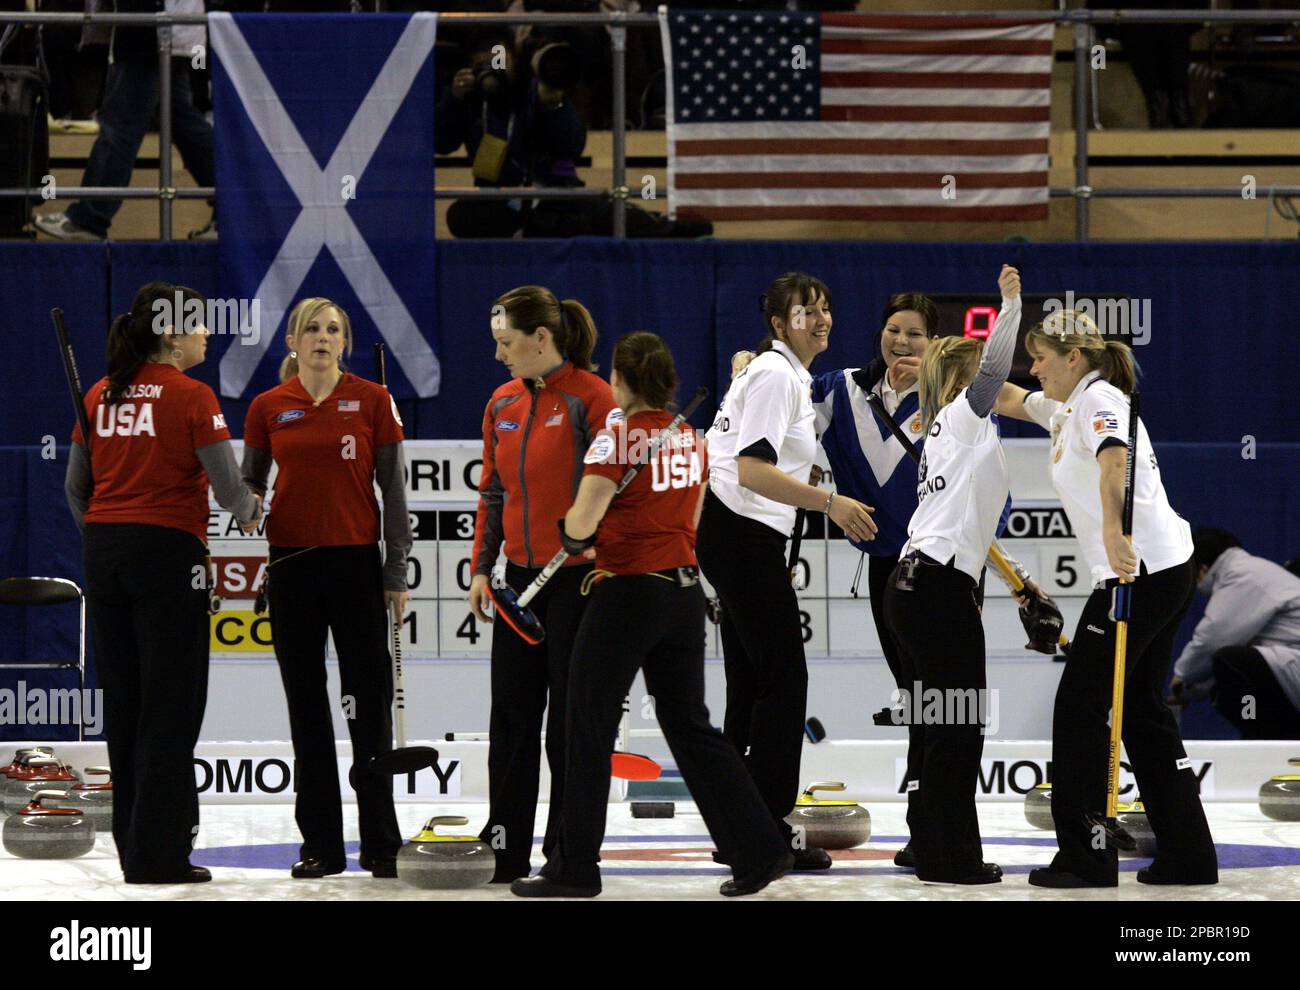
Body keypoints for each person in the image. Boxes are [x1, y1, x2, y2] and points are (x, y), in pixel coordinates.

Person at [512, 332, 794, 898]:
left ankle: (575, 867)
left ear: (620, 380)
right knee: (690, 724)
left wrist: (570, 533)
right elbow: (692, 515)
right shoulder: (690, 438)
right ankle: (761, 847)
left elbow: (582, 522)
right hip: (683, 593)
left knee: (585, 723)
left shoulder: (613, 439)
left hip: (627, 593)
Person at [995, 309, 1218, 888]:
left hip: (1136, 572)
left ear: (1075, 358)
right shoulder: (1070, 406)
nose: (1034, 366)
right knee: (1142, 713)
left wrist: (1116, 534)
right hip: (1161, 568)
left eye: (1041, 356)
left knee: (1080, 707)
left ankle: (1086, 857)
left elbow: (1114, 461)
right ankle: (1190, 855)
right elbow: (1011, 399)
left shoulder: (1099, 403)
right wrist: (939, 368)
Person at [65, 281, 262, 883]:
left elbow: (77, 491)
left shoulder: (100, 393)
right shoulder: (192, 395)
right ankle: (160, 855)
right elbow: (231, 492)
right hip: (167, 553)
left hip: (105, 553)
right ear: (172, 335)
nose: (207, 333)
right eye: (198, 324)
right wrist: (257, 509)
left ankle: (135, 850)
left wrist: (108, 532)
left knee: (124, 704)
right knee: (172, 703)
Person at [695, 272, 877, 872]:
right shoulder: (775, 376)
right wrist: (832, 504)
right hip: (740, 533)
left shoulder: (775, 372)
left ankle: (741, 827)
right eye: (806, 312)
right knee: (783, 681)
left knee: (751, 684)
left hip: (735, 535)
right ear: (780, 325)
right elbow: (752, 470)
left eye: (826, 308)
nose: (822, 319)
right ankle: (763, 831)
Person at [241, 297, 412, 879]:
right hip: (291, 569)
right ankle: (320, 844)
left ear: (345, 342)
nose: (321, 337)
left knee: (369, 708)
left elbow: (394, 492)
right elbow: (249, 484)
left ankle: (382, 842)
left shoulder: (371, 400)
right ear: (292, 340)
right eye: (311, 329)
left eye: (332, 330)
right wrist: (247, 505)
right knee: (307, 708)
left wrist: (395, 571)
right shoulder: (268, 406)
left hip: (356, 567)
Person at [467, 284, 618, 882]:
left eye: (507, 344)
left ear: (541, 338)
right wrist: (482, 567)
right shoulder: (501, 401)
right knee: (512, 717)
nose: (500, 354)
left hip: (581, 581)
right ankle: (505, 847)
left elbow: (614, 487)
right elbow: (494, 492)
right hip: (519, 583)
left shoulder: (594, 398)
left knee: (571, 724)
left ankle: (568, 851)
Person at [881, 265, 1020, 886]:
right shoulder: (962, 420)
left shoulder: (946, 430)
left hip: (920, 586)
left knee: (944, 724)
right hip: (934, 590)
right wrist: (1010, 305)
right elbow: (993, 371)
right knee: (957, 727)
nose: (999, 385)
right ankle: (950, 855)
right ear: (962, 380)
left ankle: (937, 848)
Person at [809, 293, 935, 867]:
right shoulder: (842, 389)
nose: (901, 342)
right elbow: (781, 398)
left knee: (938, 699)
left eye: (914, 333)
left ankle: (938, 826)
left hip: (940, 566)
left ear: (933, 343)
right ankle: (926, 826)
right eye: (892, 330)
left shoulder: (951, 399)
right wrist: (746, 363)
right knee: (913, 696)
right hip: (887, 565)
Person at [35, 0, 216, 241]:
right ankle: (237, 209)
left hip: (151, 30)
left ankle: (89, 219)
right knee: (182, 122)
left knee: (120, 127)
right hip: (164, 29)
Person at [1169, 528, 1300, 740]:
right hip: (1291, 662)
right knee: (1225, 676)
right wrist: (1189, 690)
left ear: (1201, 570)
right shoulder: (1257, 570)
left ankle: (1260, 736)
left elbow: (1212, 640)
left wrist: (1180, 678)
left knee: (1231, 661)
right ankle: (1274, 735)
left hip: (1294, 664)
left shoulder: (1243, 574)